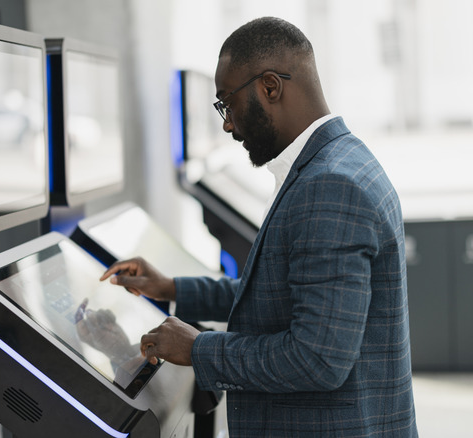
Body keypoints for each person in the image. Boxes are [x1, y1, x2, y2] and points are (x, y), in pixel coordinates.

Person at [101, 17, 418, 437]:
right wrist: (173, 289)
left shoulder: (328, 185)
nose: (228, 124)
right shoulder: (335, 162)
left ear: (270, 87)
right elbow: (286, 292)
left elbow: (317, 358)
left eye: (227, 104)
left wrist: (199, 349)